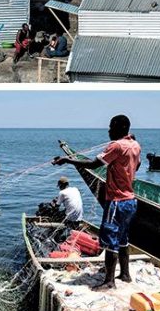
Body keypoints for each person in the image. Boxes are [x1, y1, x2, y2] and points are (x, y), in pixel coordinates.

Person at [53, 114, 141, 290]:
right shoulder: (135, 145)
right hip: (131, 201)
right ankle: (125, 274)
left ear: (120, 128)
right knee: (123, 239)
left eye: (111, 127)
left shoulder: (116, 145)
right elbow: (136, 166)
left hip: (116, 201)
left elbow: (94, 164)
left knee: (110, 240)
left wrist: (67, 160)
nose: (108, 130)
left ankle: (109, 281)